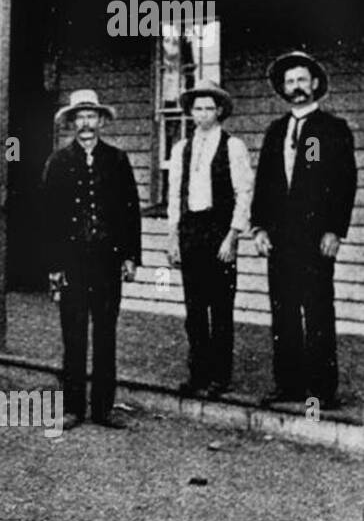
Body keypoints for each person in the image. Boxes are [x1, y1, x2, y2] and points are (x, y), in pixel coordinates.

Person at [250, 51, 356, 409]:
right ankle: (289, 384)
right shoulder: (276, 131)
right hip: (280, 239)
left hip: (314, 239)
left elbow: (343, 185)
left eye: (302, 80)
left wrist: (334, 230)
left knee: (317, 310)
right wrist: (259, 227)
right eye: (290, 81)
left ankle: (322, 390)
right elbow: (264, 183)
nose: (296, 87)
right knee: (283, 311)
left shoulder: (329, 130)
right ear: (283, 87)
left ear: (314, 85)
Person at [40, 89, 141, 430]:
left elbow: (130, 212)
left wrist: (130, 257)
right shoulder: (57, 162)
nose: (85, 124)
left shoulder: (117, 159)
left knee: (106, 333)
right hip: (71, 262)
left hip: (107, 261)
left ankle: (103, 408)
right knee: (73, 333)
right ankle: (72, 407)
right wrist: (54, 265)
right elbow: (49, 219)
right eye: (79, 117)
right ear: (71, 123)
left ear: (100, 121)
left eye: (91, 117)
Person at [166, 80, 254, 398]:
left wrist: (232, 237)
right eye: (197, 108)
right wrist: (173, 237)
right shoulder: (181, 149)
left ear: (219, 111)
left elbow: (244, 193)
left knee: (220, 307)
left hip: (219, 233)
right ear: (190, 113)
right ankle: (198, 374)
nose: (203, 114)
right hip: (191, 233)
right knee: (194, 308)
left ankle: (220, 376)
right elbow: (175, 195)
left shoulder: (233, 146)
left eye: (208, 108)